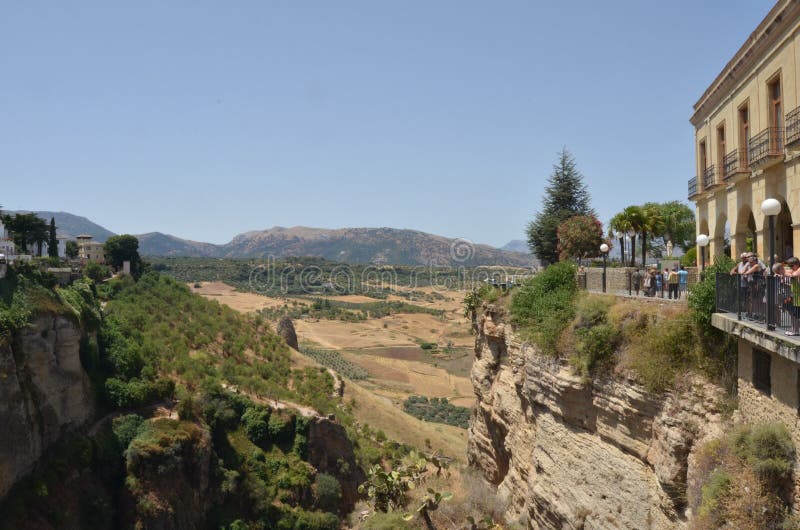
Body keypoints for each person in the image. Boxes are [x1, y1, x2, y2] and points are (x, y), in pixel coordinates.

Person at [784, 257, 800, 336]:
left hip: (798, 297)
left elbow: (794, 275)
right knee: (793, 314)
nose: (790, 268)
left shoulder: (799, 270)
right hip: (794, 296)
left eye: (791, 266)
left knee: (796, 315)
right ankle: (794, 329)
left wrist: (783, 272)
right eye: (789, 266)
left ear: (797, 264)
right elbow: (787, 272)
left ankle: (796, 331)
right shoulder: (794, 270)